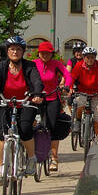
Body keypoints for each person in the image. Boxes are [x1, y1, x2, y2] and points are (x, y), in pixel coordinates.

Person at [0, 35, 44, 185]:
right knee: (1, 135)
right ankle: (0, 170)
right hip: (6, 103)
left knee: (25, 130)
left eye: (18, 49)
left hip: (25, 103)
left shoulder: (29, 66)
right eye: (12, 49)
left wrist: (37, 94)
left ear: (23, 51)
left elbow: (37, 81)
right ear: (7, 51)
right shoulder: (1, 66)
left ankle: (31, 158)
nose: (15, 52)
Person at [33, 41, 72, 171]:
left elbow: (67, 75)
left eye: (48, 53)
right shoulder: (33, 64)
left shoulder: (56, 64)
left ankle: (54, 158)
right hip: (36, 97)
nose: (45, 55)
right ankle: (32, 152)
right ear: (38, 53)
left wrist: (66, 86)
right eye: (42, 53)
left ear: (52, 54)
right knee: (30, 123)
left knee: (52, 126)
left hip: (52, 97)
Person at [69, 46, 98, 139]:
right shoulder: (79, 65)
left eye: (92, 57)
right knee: (79, 104)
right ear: (84, 58)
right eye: (88, 57)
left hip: (97, 93)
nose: (90, 59)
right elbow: (72, 77)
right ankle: (78, 121)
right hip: (82, 92)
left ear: (95, 57)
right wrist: (71, 87)